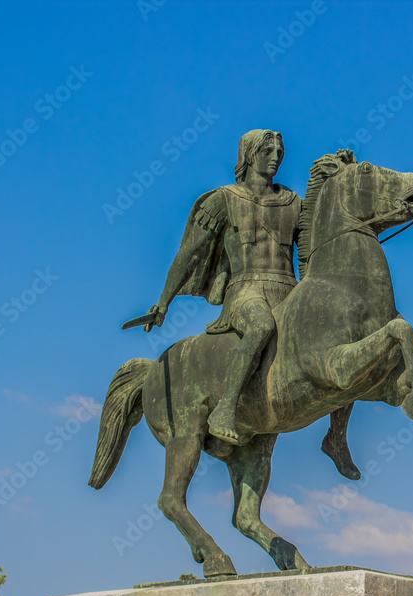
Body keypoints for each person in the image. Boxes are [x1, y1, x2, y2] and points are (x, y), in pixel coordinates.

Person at [136, 130, 359, 478]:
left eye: (279, 151)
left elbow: (319, 242)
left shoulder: (293, 202)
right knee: (261, 326)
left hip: (289, 290)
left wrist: (343, 177)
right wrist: (163, 303)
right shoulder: (223, 199)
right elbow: (187, 255)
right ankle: (225, 408)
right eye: (267, 150)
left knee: (343, 342)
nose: (275, 156)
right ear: (249, 155)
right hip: (246, 290)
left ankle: (337, 436)